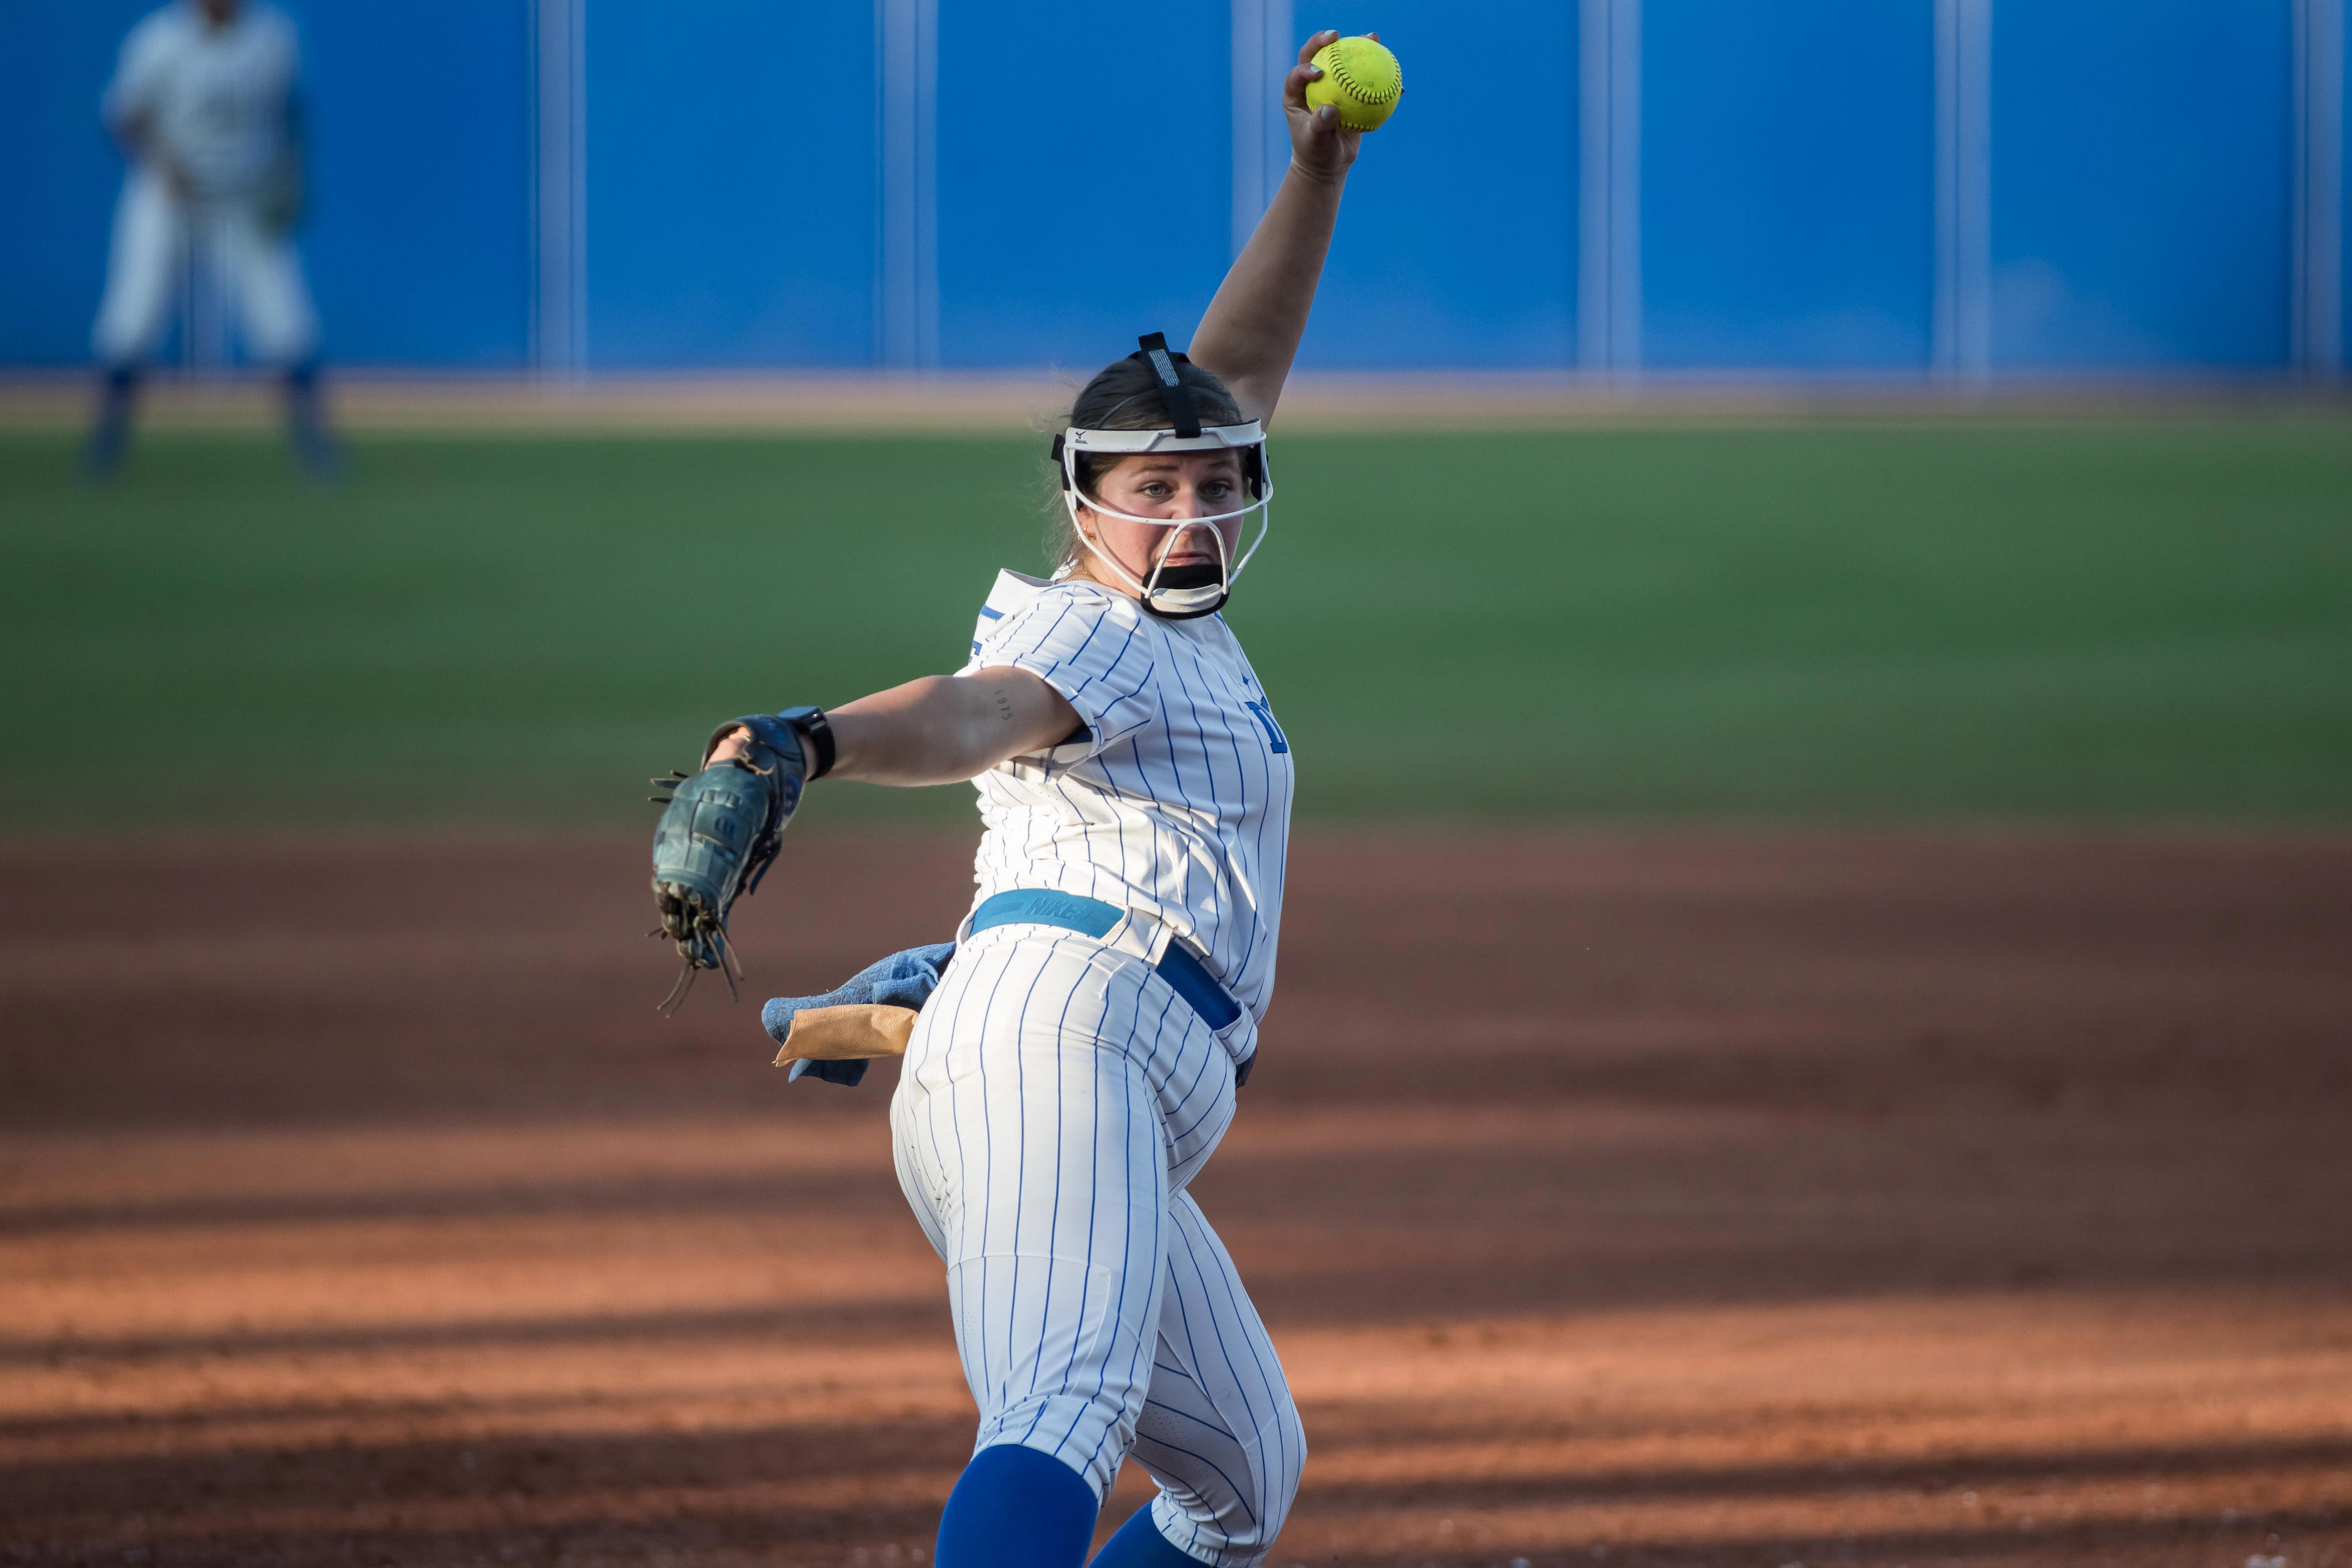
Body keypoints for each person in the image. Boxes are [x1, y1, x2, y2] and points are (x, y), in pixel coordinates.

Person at [664, 31, 1371, 1567]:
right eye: (1147, 488)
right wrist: (809, 740)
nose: (1186, 511)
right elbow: (970, 712)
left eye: (1210, 486)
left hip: (1095, 1059)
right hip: (1065, 1038)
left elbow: (1227, 380)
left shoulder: (1170, 598)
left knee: (1240, 1475)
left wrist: (1315, 171)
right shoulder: (1082, 626)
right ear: (1080, 501)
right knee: (1057, 1405)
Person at [85, 0, 337, 477]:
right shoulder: (160, 39)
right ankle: (107, 443)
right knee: (134, 314)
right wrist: (161, 162)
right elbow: (123, 113)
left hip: (244, 192)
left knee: (283, 316)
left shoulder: (272, 37)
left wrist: (292, 177)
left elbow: (290, 113)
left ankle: (315, 445)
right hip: (169, 193)